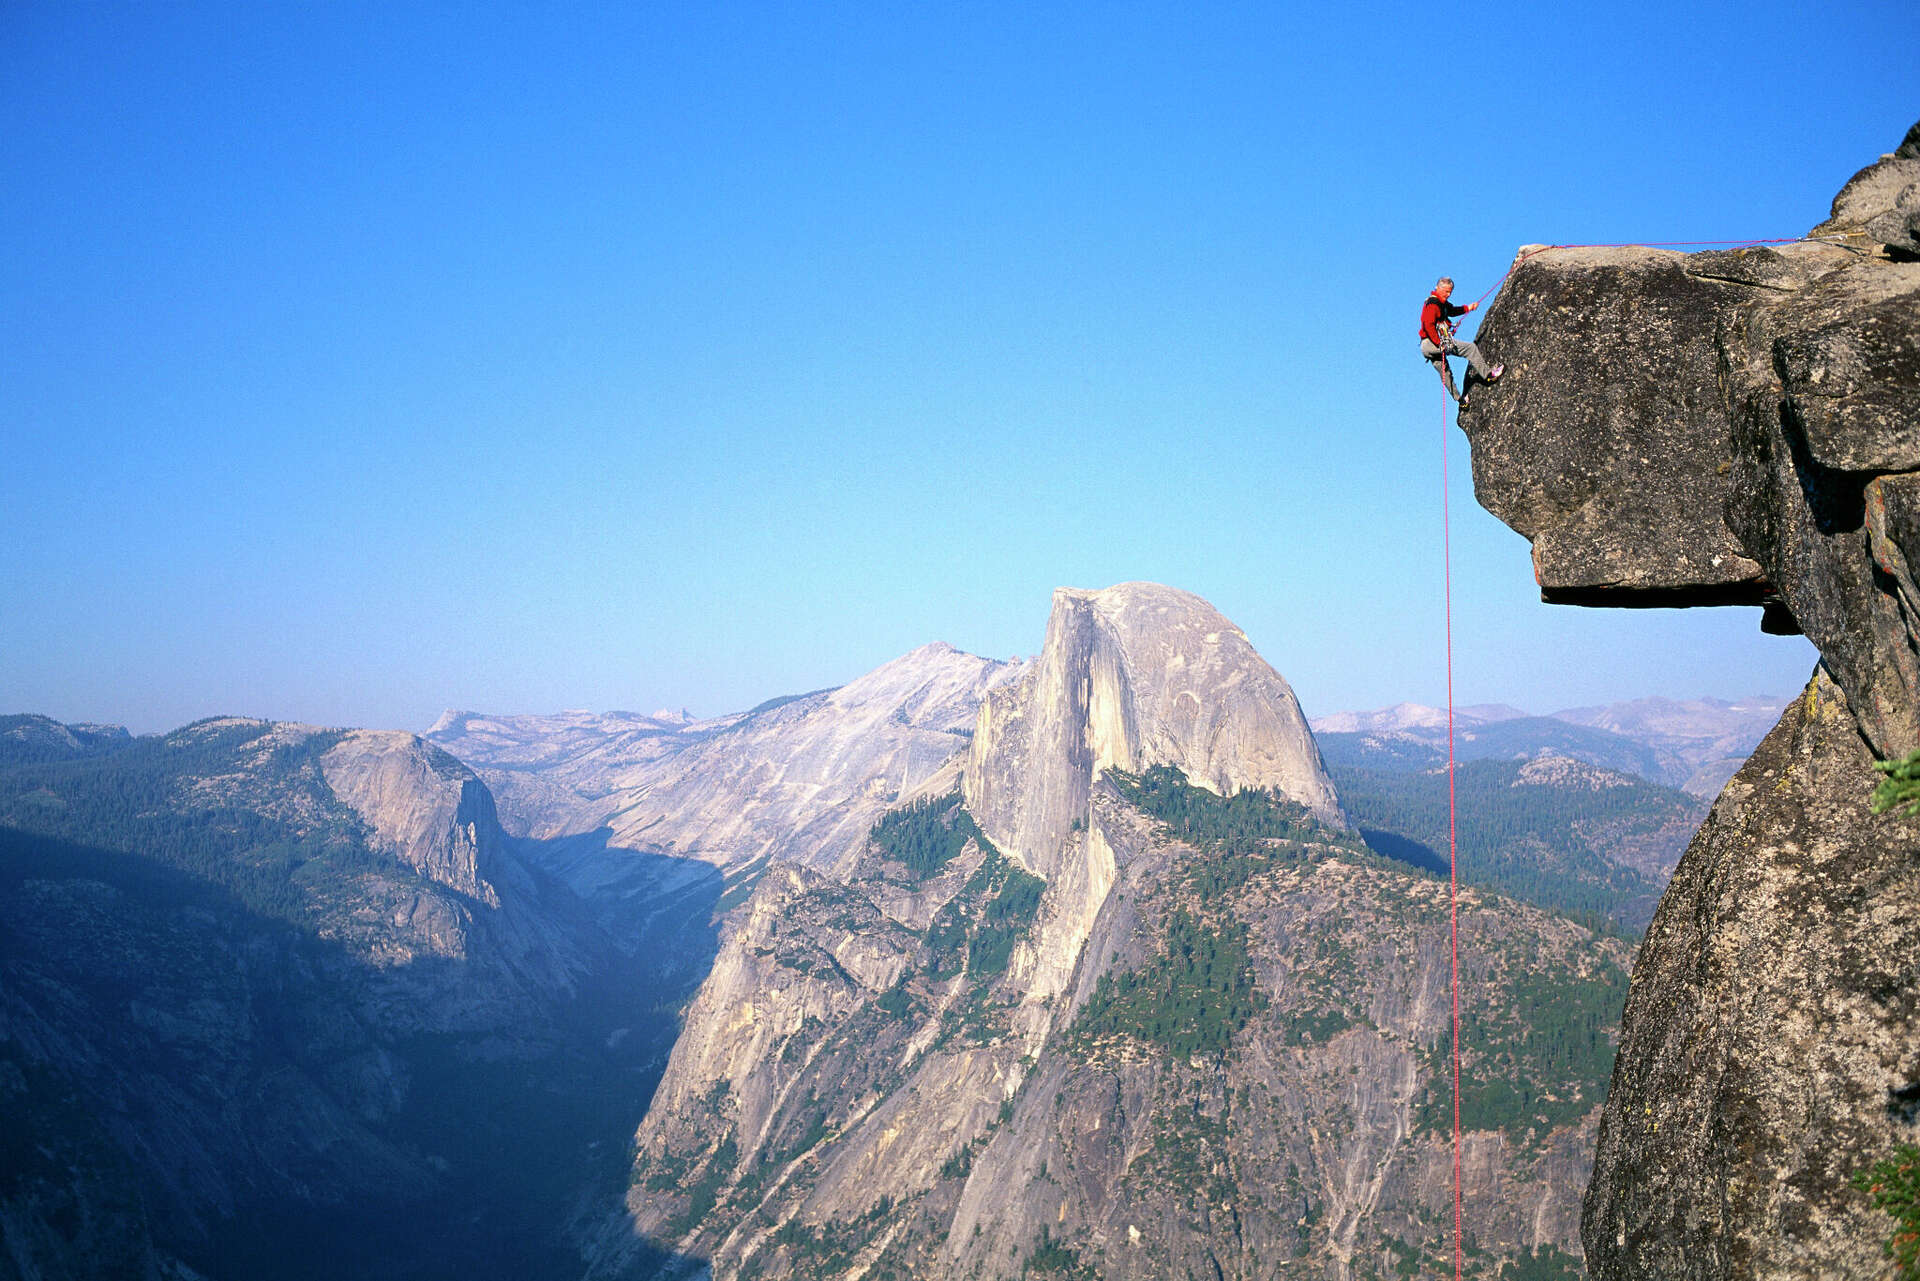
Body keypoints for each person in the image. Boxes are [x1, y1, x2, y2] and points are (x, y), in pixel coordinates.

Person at [1420, 277, 1504, 406]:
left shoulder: (1441, 303)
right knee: (1470, 348)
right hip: (1431, 343)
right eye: (1446, 292)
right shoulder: (1433, 304)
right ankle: (1488, 375)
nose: (1448, 295)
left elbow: (1453, 311)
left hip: (1429, 346)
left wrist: (1468, 308)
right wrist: (1439, 343)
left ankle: (1460, 400)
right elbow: (1428, 325)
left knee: (1445, 373)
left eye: (1450, 292)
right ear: (1439, 288)